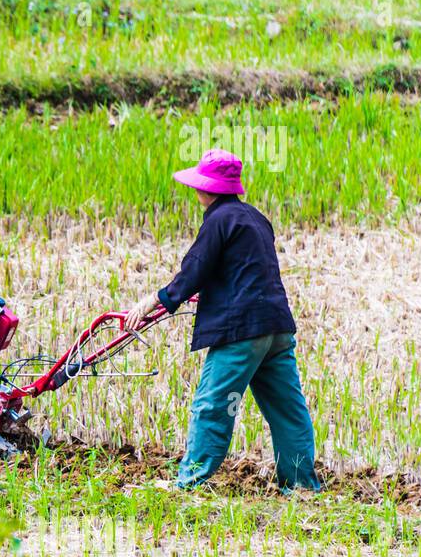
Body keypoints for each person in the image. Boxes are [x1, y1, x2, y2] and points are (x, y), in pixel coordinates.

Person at [124, 148, 319, 492]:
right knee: (289, 412)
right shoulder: (256, 218)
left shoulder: (218, 220)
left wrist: (154, 299)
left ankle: (189, 480)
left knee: (213, 406)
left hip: (242, 334)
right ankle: (302, 484)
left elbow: (194, 270)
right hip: (276, 329)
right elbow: (244, 270)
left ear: (206, 188)